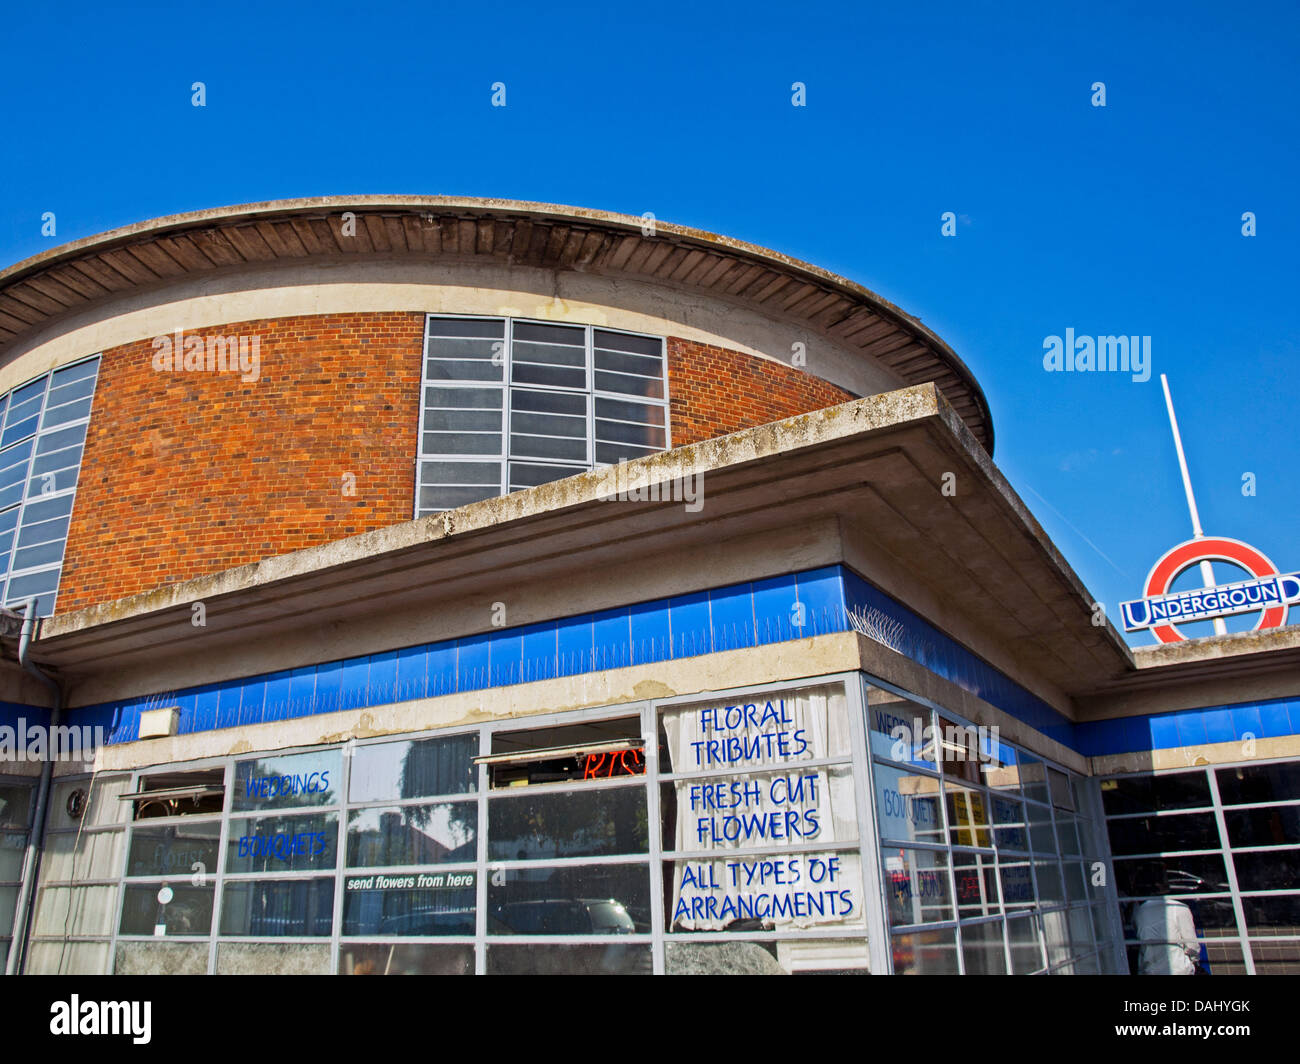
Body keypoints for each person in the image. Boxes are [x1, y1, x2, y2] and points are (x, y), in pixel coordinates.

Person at [1135, 895, 1200, 975]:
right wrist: (1194, 961)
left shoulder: (1141, 910)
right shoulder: (1180, 908)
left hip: (1150, 970)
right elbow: (1192, 945)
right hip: (1178, 969)